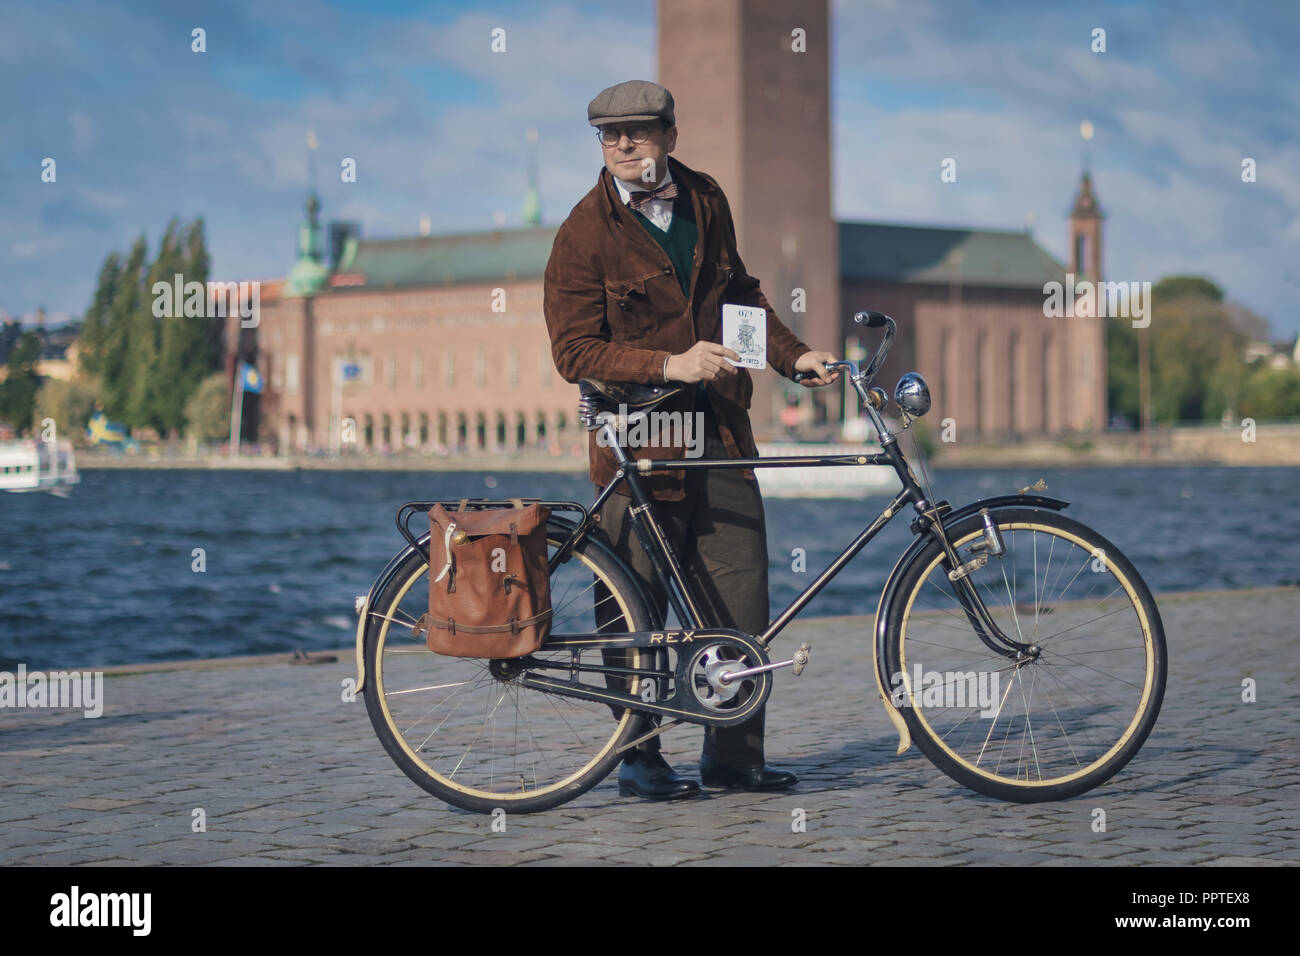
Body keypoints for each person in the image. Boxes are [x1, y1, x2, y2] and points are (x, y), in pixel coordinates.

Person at [543, 80, 838, 800]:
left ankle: (734, 758)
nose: (622, 145)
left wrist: (792, 355)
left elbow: (741, 296)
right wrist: (668, 365)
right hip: (638, 447)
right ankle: (638, 758)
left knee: (741, 601)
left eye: (638, 132)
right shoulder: (583, 232)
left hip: (723, 438)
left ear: (670, 135)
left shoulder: (706, 198)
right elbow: (575, 353)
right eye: (610, 136)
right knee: (634, 609)